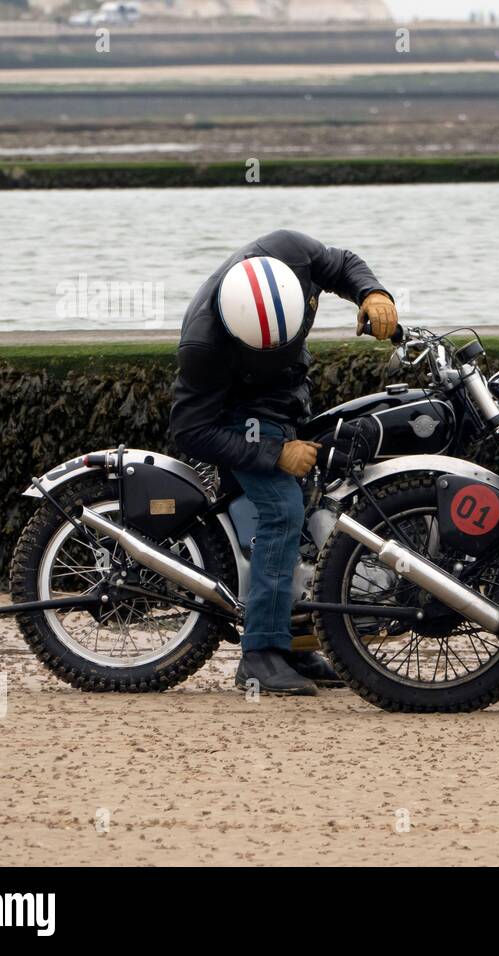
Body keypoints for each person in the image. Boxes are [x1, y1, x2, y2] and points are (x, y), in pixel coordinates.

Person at [170, 229, 398, 696]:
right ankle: (259, 657)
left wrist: (372, 293)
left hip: (286, 394)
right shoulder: (203, 346)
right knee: (282, 511)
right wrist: (274, 453)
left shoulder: (291, 252)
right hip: (236, 412)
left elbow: (343, 261)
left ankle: (292, 641)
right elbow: (190, 430)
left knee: (312, 500)